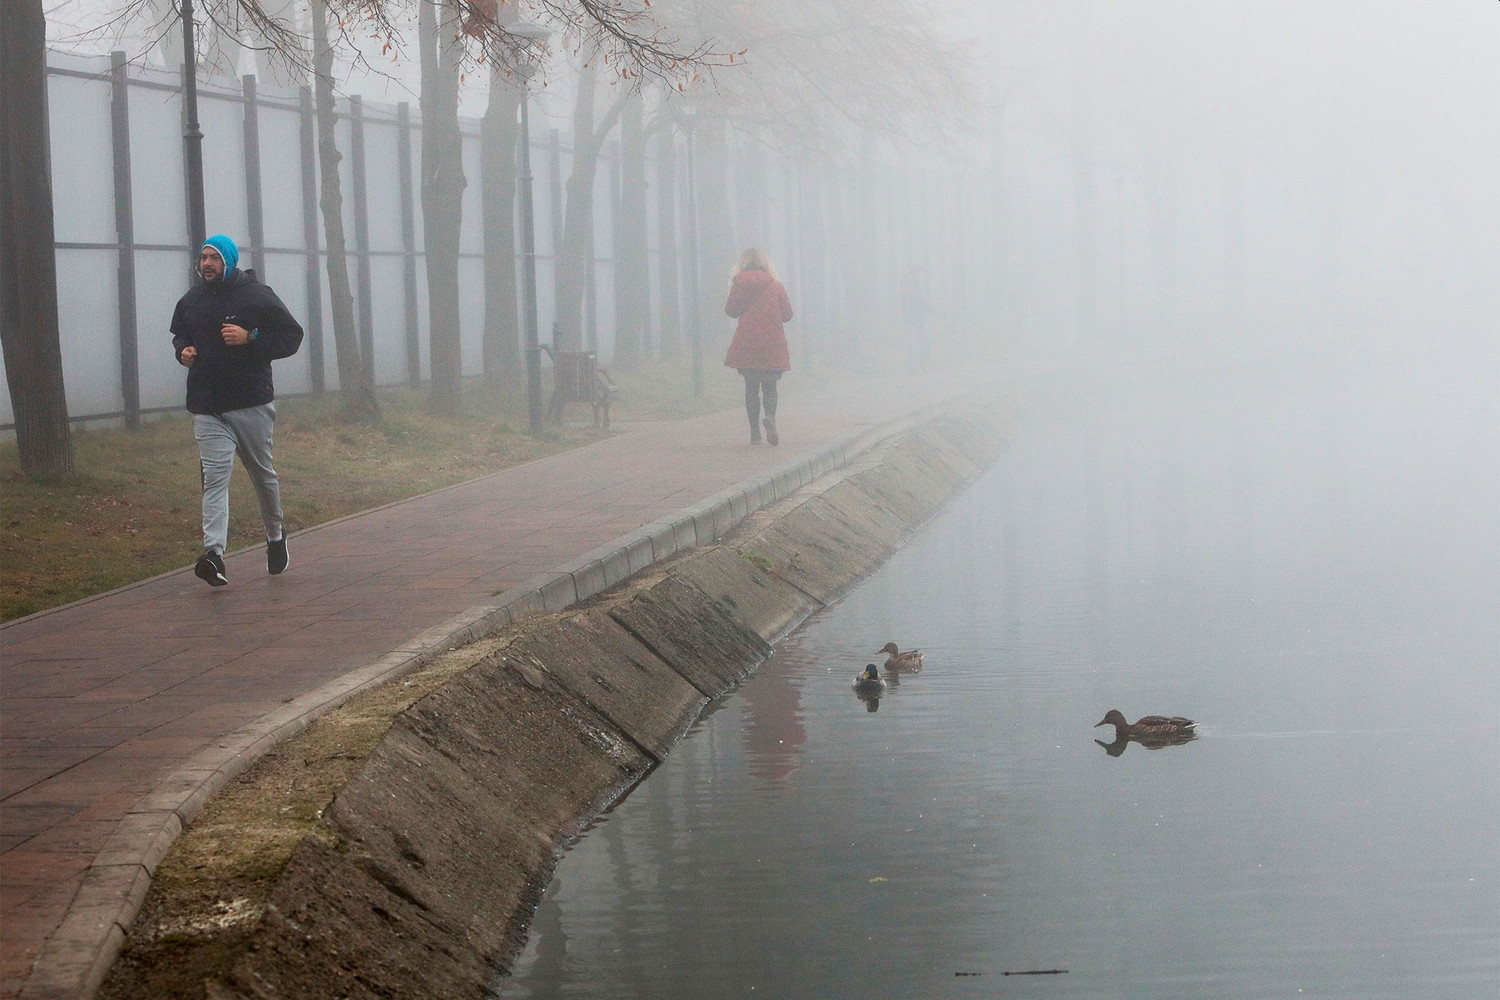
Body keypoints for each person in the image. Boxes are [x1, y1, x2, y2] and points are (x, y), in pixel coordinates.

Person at [172, 234, 304, 586]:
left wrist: (251, 337)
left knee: (262, 475)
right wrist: (183, 350)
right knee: (215, 479)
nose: (207, 264)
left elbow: (291, 336)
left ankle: (275, 536)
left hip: (251, 402)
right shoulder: (191, 301)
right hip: (207, 405)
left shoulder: (257, 295)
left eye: (214, 258)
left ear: (229, 261)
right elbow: (180, 335)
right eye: (203, 257)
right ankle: (214, 555)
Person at [723, 248, 793, 446]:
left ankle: (755, 433)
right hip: (772, 342)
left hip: (748, 342)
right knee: (770, 387)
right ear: (765, 264)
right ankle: (770, 418)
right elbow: (787, 315)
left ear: (743, 264)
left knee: (751, 387)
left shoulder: (739, 284)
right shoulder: (776, 285)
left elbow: (730, 311)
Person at [899, 265, 931, 371]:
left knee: (925, 341)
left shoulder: (915, 284)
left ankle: (920, 364)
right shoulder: (906, 283)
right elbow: (911, 300)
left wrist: (927, 308)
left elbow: (918, 300)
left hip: (919, 317)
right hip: (910, 318)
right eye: (917, 273)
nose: (918, 275)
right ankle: (913, 367)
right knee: (913, 343)